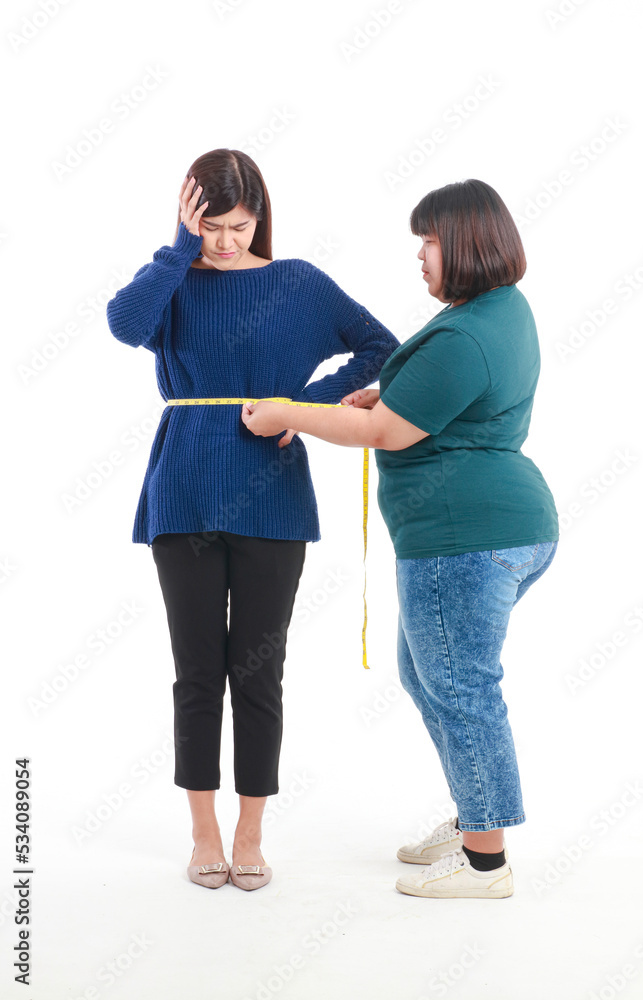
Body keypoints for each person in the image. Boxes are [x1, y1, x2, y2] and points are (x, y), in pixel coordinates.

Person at [242, 178, 560, 899]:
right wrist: (388, 389)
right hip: (498, 531)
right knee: (431, 679)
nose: (420, 255)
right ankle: (476, 818)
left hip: (464, 538)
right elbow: (434, 403)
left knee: (459, 687)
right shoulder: (496, 313)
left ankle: (486, 863)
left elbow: (383, 435)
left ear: (467, 243)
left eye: (430, 240)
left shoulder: (466, 333)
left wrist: (294, 411)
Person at [106, 148, 400, 891]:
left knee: (258, 671)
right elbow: (122, 323)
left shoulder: (295, 282)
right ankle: (202, 828)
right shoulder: (171, 281)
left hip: (272, 493)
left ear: (258, 216)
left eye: (238, 225)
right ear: (189, 218)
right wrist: (178, 249)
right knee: (197, 670)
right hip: (183, 488)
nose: (226, 241)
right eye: (211, 227)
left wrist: (308, 407)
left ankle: (250, 829)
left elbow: (381, 347)